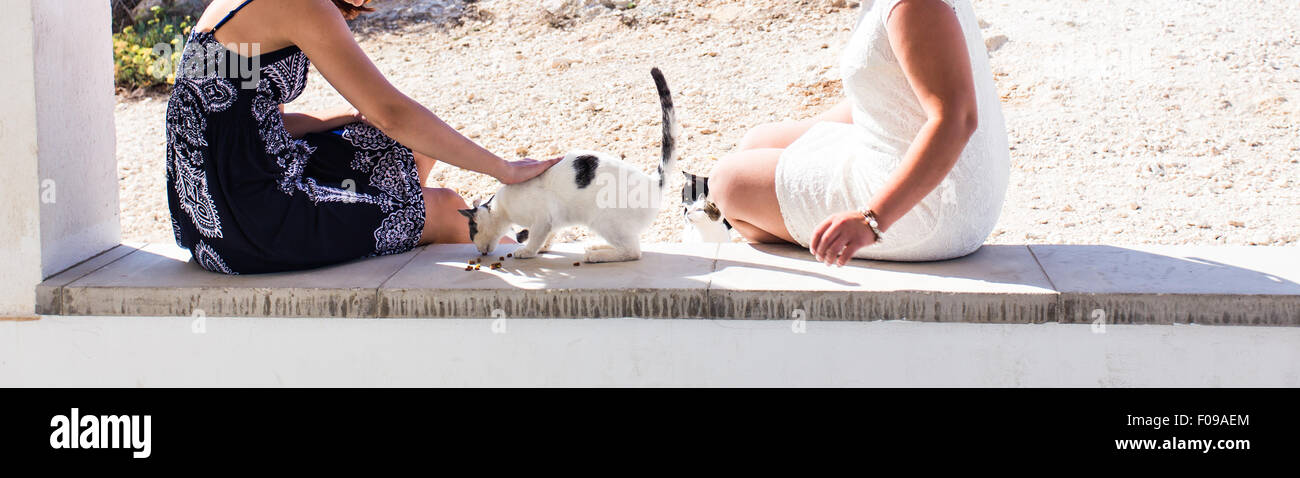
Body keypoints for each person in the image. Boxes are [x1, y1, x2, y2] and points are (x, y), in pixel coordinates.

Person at [165, 0, 559, 274]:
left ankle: (387, 225)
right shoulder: (303, 4)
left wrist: (342, 117)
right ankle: (422, 226)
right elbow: (392, 114)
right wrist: (503, 168)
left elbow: (249, 122)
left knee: (405, 148)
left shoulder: (237, 5)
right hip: (247, 225)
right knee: (446, 208)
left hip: (210, 216)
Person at [708, 0, 1010, 266]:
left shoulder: (913, 5)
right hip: (927, 170)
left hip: (934, 210)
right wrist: (809, 138)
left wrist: (872, 220)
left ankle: (836, 250)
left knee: (727, 184)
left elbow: (957, 120)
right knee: (757, 143)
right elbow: (884, 89)